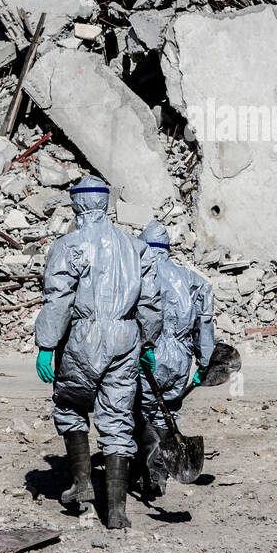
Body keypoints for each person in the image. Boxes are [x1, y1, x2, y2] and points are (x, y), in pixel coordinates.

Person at [33, 175, 162, 529]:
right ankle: (117, 511)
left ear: (77, 205)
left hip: (82, 337)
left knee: (70, 405)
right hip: (126, 337)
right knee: (118, 417)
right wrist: (148, 342)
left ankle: (82, 483)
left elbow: (57, 299)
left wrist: (46, 345)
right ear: (104, 203)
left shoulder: (69, 245)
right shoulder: (137, 248)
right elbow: (151, 302)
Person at [134, 220, 215, 497]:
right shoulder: (192, 279)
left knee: (142, 411)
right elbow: (205, 322)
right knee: (167, 409)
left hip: (149, 351)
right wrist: (204, 361)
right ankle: (159, 468)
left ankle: (151, 470)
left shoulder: (139, 273)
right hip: (180, 355)